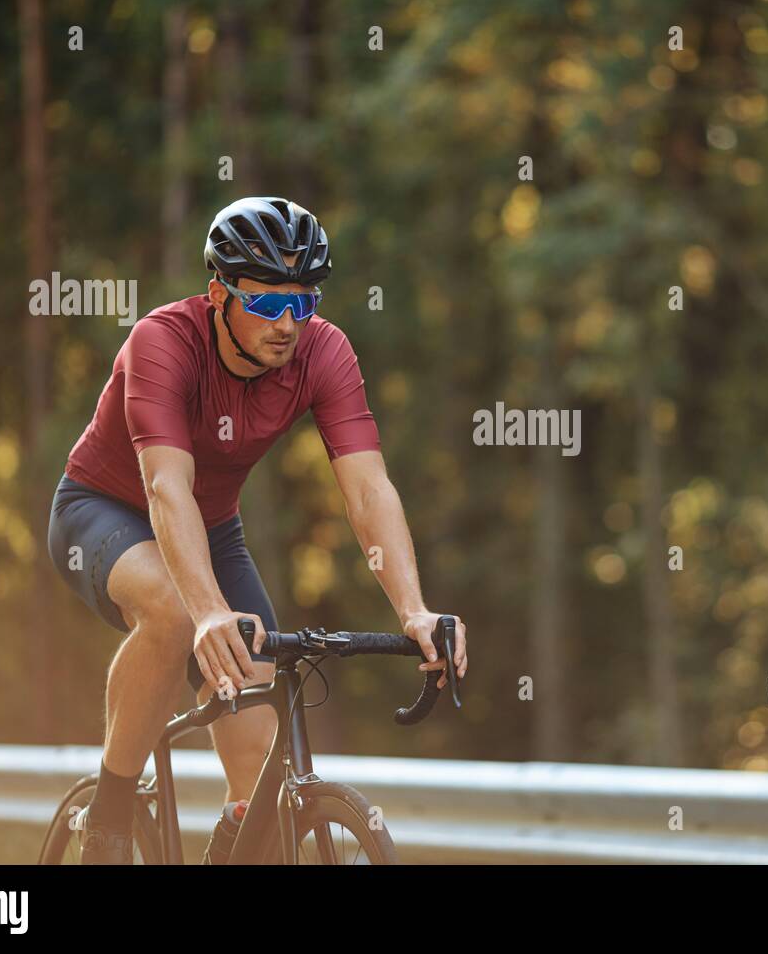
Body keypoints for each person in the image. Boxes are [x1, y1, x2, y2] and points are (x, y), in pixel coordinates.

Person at [47, 196, 467, 863]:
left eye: (302, 303)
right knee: (172, 610)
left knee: (258, 790)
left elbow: (367, 488)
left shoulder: (324, 352)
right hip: (102, 512)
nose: (288, 323)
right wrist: (208, 609)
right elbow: (165, 486)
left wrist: (413, 609)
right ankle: (112, 809)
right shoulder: (162, 341)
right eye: (268, 303)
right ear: (219, 294)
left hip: (212, 531)